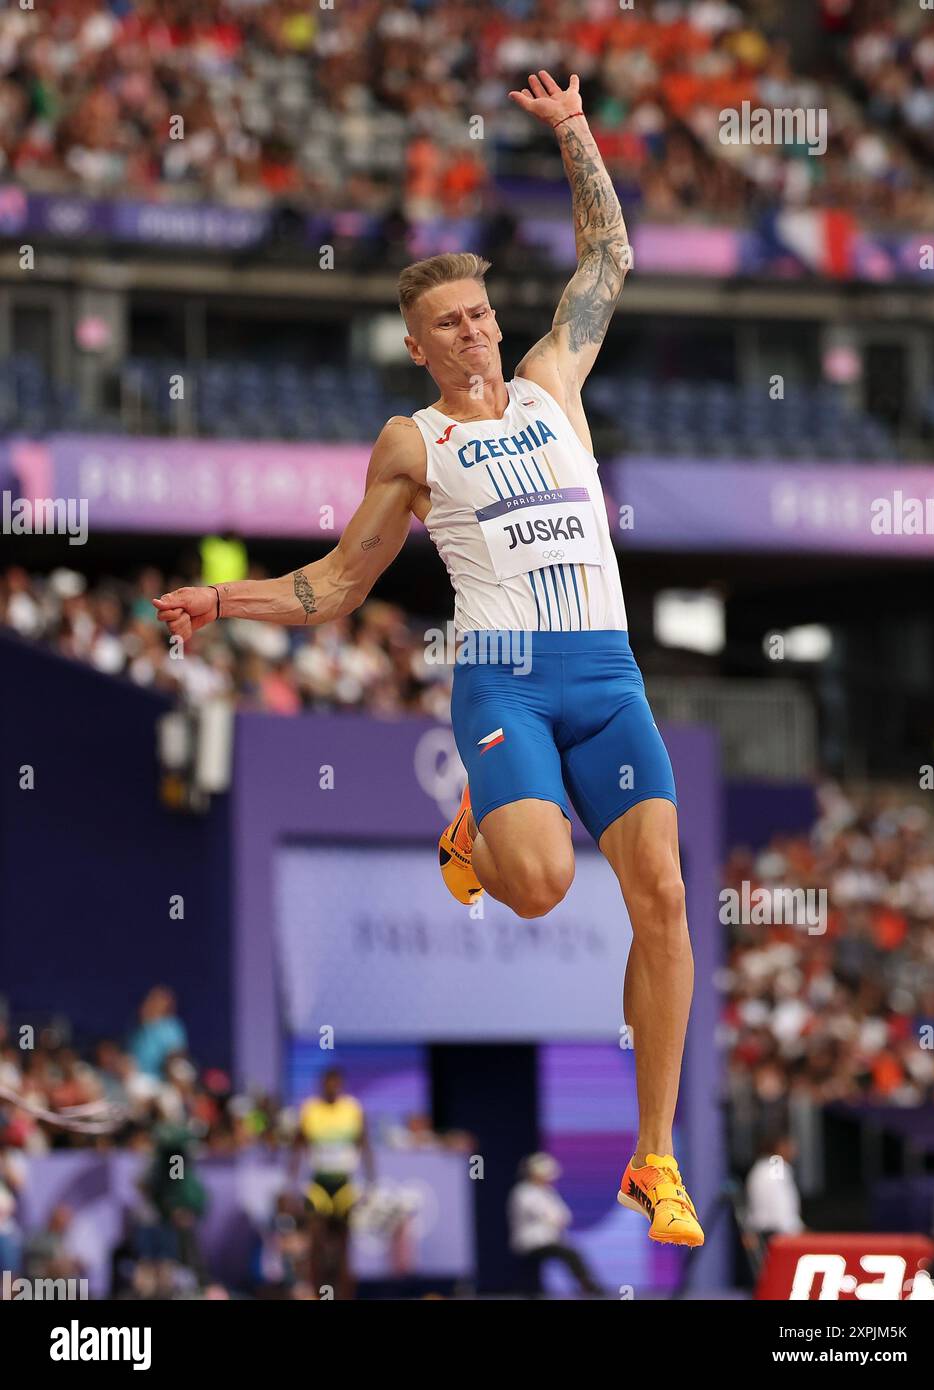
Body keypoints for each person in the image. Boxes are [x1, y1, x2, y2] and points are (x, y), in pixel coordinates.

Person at [153, 71, 702, 1248]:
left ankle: (653, 1158)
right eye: (450, 320)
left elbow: (608, 263)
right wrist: (221, 596)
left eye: (482, 311)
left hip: (607, 673)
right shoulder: (415, 442)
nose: (477, 328)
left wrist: (571, 132)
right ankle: (480, 839)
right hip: (504, 671)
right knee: (547, 883)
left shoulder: (556, 384)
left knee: (661, 895)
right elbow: (337, 585)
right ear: (416, 342)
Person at [293, 1068, 373, 1298]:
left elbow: (365, 1145)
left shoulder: (352, 1109)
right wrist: (291, 1185)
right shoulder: (310, 1110)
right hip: (319, 1183)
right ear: (322, 1084)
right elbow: (297, 1148)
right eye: (327, 1083)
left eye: (335, 1083)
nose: (331, 1088)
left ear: (340, 1084)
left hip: (344, 1184)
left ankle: (344, 1295)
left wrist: (370, 1184)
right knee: (316, 1245)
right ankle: (319, 1294)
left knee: (343, 1248)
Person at [508, 1153, 603, 1297]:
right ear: (534, 1173)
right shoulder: (523, 1192)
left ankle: (587, 1285)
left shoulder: (548, 1192)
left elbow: (564, 1216)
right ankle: (586, 1285)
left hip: (550, 1240)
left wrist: (555, 1219)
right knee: (568, 1253)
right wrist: (554, 1219)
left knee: (571, 1253)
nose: (548, 1178)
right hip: (530, 1243)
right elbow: (545, 1215)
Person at [744, 1133, 804, 1243]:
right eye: (790, 1146)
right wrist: (801, 1234)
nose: (795, 1151)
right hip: (775, 1237)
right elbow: (783, 1215)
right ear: (780, 1147)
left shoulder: (761, 1167)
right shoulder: (776, 1168)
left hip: (764, 1234)